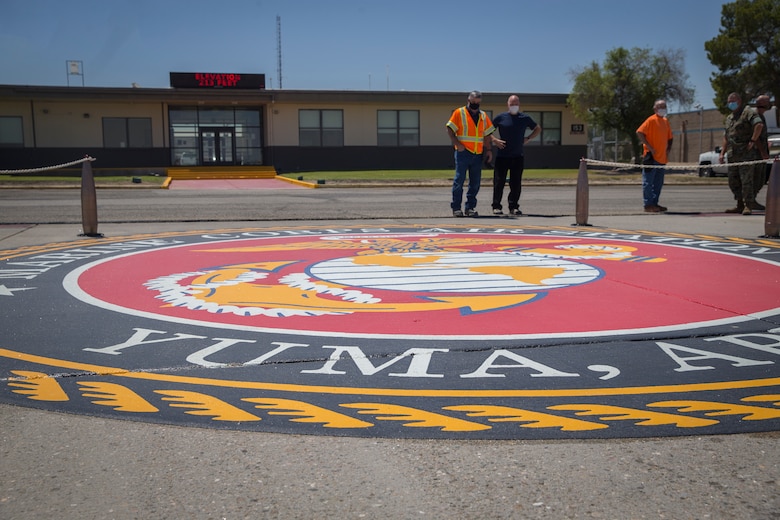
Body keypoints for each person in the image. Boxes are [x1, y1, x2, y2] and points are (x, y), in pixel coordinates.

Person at [489, 95, 541, 215]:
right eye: (512, 104)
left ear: (519, 104)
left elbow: (537, 128)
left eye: (516, 103)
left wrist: (528, 138)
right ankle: (496, 206)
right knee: (498, 182)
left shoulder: (524, 118)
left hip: (517, 155)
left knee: (516, 183)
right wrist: (494, 140)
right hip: (502, 156)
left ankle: (513, 206)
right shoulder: (501, 117)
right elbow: (487, 130)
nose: (514, 106)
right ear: (507, 104)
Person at [446, 90, 495, 217]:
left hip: (477, 154)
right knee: (459, 181)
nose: (475, 105)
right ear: (468, 100)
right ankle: (456, 208)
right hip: (463, 153)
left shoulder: (483, 116)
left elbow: (487, 135)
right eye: (473, 102)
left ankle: (470, 207)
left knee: (475, 183)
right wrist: (458, 144)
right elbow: (449, 129)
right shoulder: (459, 112)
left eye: (478, 103)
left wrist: (488, 150)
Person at [719, 92, 764, 215]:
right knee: (733, 181)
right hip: (732, 154)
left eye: (733, 100)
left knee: (746, 181)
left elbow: (759, 125)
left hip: (746, 154)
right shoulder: (729, 118)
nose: (731, 103)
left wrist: (753, 140)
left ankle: (748, 205)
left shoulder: (748, 112)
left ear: (739, 100)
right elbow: (726, 137)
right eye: (729, 101)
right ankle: (739, 204)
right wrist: (722, 153)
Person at [636, 99, 673, 213]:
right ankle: (648, 204)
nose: (662, 109)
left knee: (658, 183)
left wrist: (668, 149)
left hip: (662, 158)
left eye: (664, 106)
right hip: (651, 157)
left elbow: (670, 137)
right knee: (648, 182)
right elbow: (639, 132)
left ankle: (655, 203)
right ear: (655, 108)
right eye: (660, 107)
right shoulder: (651, 120)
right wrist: (649, 147)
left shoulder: (665, 121)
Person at [753, 95, 772, 206]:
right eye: (767, 102)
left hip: (760, 153)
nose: (769, 103)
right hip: (756, 154)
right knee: (756, 179)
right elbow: (755, 137)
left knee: (761, 179)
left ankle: (752, 200)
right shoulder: (756, 117)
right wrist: (762, 151)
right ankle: (749, 202)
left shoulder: (762, 116)